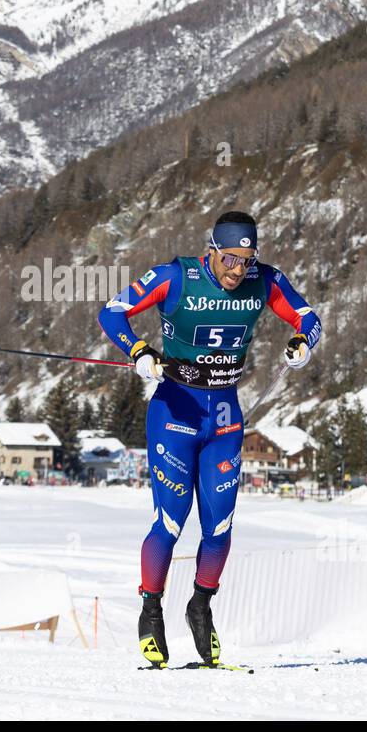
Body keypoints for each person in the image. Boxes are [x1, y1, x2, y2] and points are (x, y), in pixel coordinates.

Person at [98, 210, 322, 667]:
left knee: (219, 527)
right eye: (230, 259)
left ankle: (200, 607)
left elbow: (308, 316)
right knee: (172, 522)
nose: (238, 270)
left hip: (223, 415)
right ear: (213, 250)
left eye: (247, 260)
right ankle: (150, 610)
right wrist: (138, 351)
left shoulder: (265, 280)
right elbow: (112, 311)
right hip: (175, 411)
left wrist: (303, 343)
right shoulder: (175, 276)